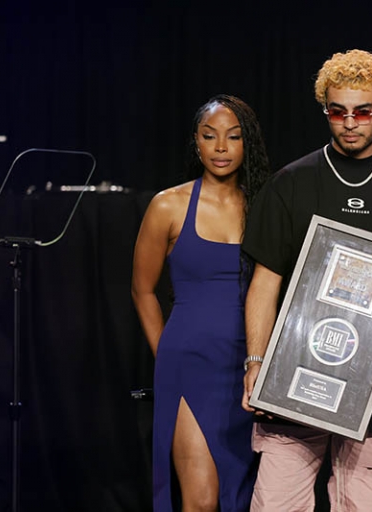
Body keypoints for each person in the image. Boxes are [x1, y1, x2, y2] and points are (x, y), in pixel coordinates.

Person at [240, 49, 372, 511]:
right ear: (325, 109)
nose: (349, 122)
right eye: (337, 111)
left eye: (361, 111)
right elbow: (265, 283)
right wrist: (256, 363)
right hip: (293, 380)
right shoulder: (290, 184)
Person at [132, 94, 271, 511]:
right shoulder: (168, 205)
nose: (222, 147)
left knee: (244, 498)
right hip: (187, 364)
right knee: (202, 499)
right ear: (197, 142)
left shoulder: (263, 206)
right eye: (210, 136)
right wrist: (167, 358)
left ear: (248, 144)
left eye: (233, 137)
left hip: (248, 368)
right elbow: (142, 290)